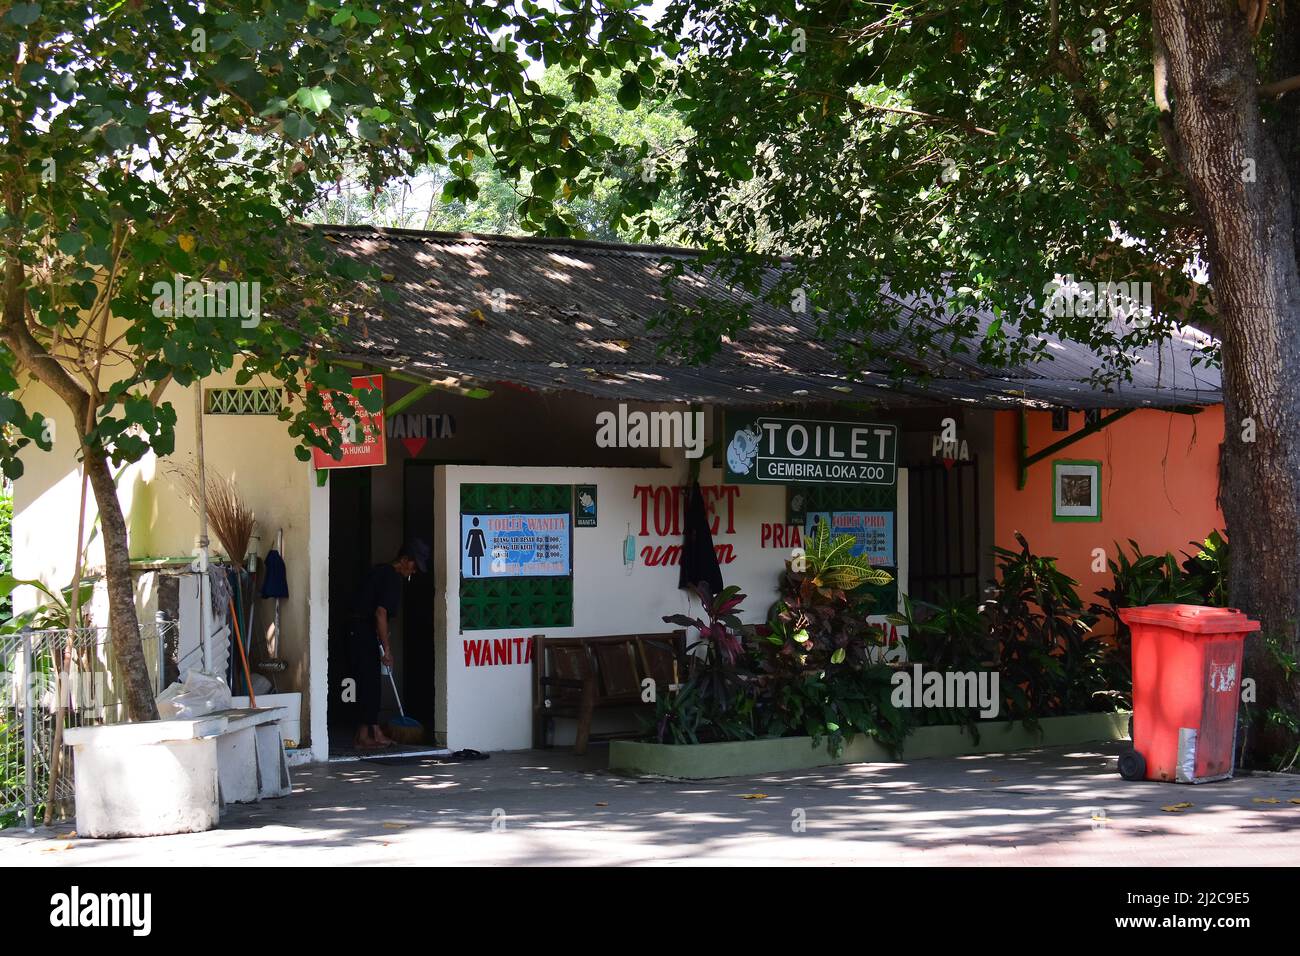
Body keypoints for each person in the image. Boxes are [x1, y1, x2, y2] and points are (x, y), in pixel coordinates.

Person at [349, 538, 429, 750]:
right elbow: (380, 612)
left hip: (358, 631)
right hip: (364, 632)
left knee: (367, 681)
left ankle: (366, 733)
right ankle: (369, 734)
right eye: (413, 565)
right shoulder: (392, 578)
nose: (413, 571)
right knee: (370, 682)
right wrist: (388, 649)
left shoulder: (379, 571)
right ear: (404, 560)